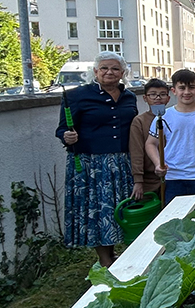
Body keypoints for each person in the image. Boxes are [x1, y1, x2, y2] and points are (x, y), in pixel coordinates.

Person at [57, 52, 139, 267]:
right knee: (98, 211)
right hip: (91, 164)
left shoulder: (129, 97)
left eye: (114, 69)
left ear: (122, 73)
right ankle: (105, 260)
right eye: (104, 68)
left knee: (117, 209)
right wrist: (66, 136)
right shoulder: (77, 96)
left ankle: (118, 253)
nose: (109, 72)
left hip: (122, 161)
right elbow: (63, 129)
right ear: (95, 72)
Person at [147, 69, 195, 205]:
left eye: (191, 87)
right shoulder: (164, 115)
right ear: (174, 90)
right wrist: (158, 163)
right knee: (175, 219)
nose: (187, 92)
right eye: (182, 88)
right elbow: (151, 143)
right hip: (173, 177)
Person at [129, 77, 170, 205]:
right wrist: (138, 181)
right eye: (153, 95)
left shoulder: (173, 116)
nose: (158, 98)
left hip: (173, 176)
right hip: (149, 180)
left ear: (168, 98)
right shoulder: (139, 121)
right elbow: (137, 152)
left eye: (162, 94)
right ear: (145, 98)